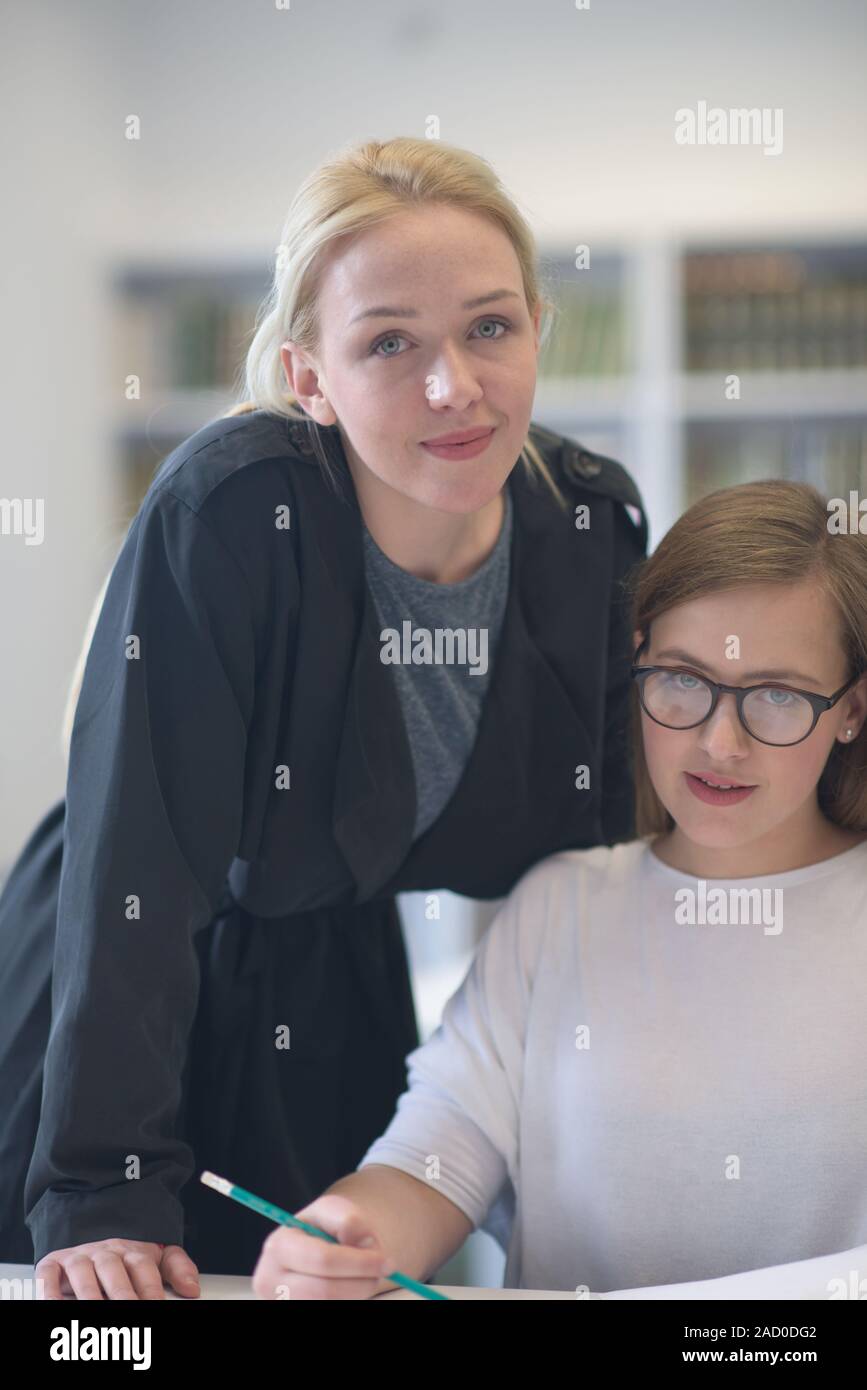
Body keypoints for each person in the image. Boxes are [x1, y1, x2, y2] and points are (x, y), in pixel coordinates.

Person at [0, 135, 648, 1299]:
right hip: (118, 979)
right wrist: (105, 1185)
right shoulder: (235, 512)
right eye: (389, 342)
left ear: (540, 328)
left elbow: (601, 877)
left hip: (334, 973)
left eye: (490, 327)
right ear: (309, 377)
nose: (454, 385)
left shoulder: (588, 528)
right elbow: (137, 866)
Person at [249, 477, 867, 1299]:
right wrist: (346, 1236)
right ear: (636, 660)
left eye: (777, 696)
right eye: (681, 679)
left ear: (851, 710)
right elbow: (434, 1151)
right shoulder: (561, 906)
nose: (720, 743)